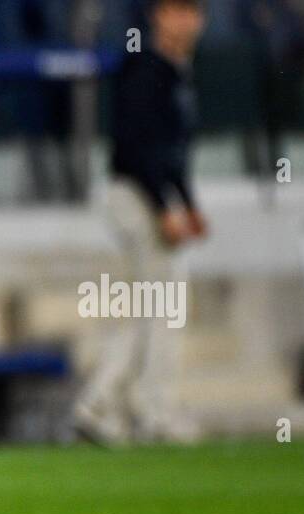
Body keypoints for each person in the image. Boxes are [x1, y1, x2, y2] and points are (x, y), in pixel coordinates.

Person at [74, 0, 208, 445]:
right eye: (178, 9)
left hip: (149, 195)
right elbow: (136, 147)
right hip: (134, 195)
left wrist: (187, 203)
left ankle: (105, 403)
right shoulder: (145, 70)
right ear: (159, 15)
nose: (187, 20)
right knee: (161, 304)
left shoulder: (173, 73)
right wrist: (164, 206)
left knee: (150, 304)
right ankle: (151, 410)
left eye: (193, 11)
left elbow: (173, 153)